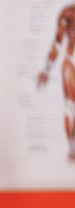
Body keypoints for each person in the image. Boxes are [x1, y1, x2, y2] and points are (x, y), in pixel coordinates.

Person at [38, 3, 75, 160]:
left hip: (70, 61)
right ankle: (72, 148)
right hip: (71, 61)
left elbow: (57, 43)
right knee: (70, 107)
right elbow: (58, 43)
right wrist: (46, 69)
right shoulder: (67, 12)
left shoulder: (67, 12)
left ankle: (72, 149)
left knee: (70, 107)